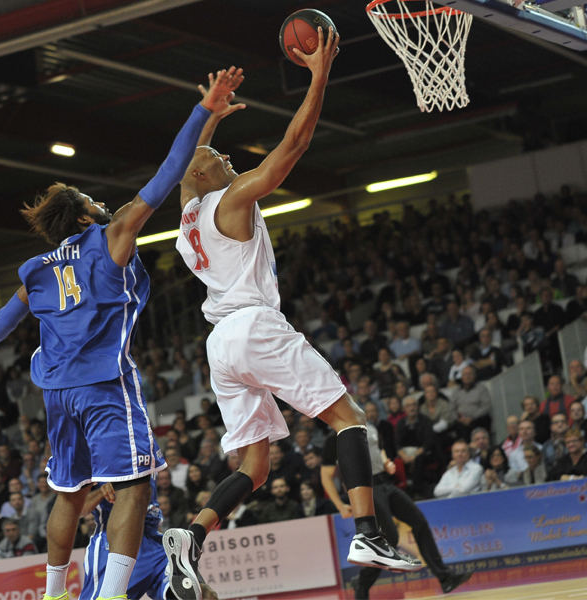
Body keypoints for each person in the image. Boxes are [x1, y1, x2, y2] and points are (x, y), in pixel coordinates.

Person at [0, 69, 242, 600]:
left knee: (69, 491)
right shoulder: (111, 236)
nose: (100, 203)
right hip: (103, 382)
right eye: (91, 200)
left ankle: (55, 593)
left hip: (55, 390)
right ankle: (111, 595)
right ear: (85, 217)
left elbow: (11, 311)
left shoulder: (38, 268)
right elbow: (169, 173)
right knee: (135, 484)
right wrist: (204, 112)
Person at [167, 30, 418, 600]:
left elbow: (187, 165)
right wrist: (319, 75)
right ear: (205, 176)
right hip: (254, 327)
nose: (228, 159)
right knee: (350, 418)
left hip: (220, 345)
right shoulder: (231, 200)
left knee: (254, 467)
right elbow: (295, 143)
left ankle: (192, 534)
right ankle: (368, 534)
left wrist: (208, 117)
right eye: (219, 158)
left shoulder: (187, 217)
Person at [321, 416, 470, 599]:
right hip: (366, 489)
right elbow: (325, 475)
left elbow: (379, 448)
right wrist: (340, 505)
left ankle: (445, 578)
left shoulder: (369, 425)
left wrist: (386, 462)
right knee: (390, 538)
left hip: (385, 482)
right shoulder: (334, 437)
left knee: (419, 522)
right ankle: (363, 581)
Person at [80, 481, 217, 600]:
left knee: (203, 595)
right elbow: (76, 508)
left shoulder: (150, 458)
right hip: (117, 540)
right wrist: (100, 492)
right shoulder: (94, 461)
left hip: (155, 541)